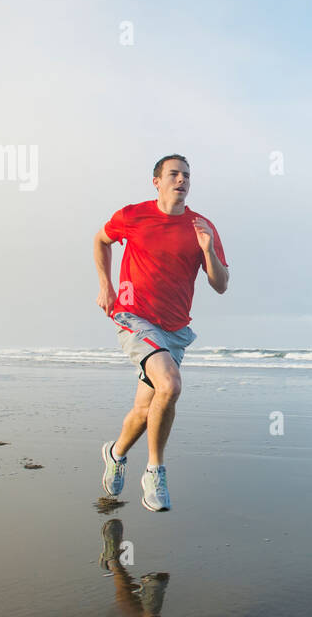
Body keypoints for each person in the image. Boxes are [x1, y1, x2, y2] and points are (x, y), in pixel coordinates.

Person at [93, 154, 228, 511]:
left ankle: (116, 453)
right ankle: (155, 470)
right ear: (157, 181)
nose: (181, 180)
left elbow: (221, 285)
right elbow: (101, 240)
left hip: (174, 328)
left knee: (145, 407)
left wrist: (209, 251)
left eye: (186, 175)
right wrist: (106, 285)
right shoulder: (133, 216)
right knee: (170, 385)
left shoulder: (202, 226)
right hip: (133, 315)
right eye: (174, 174)